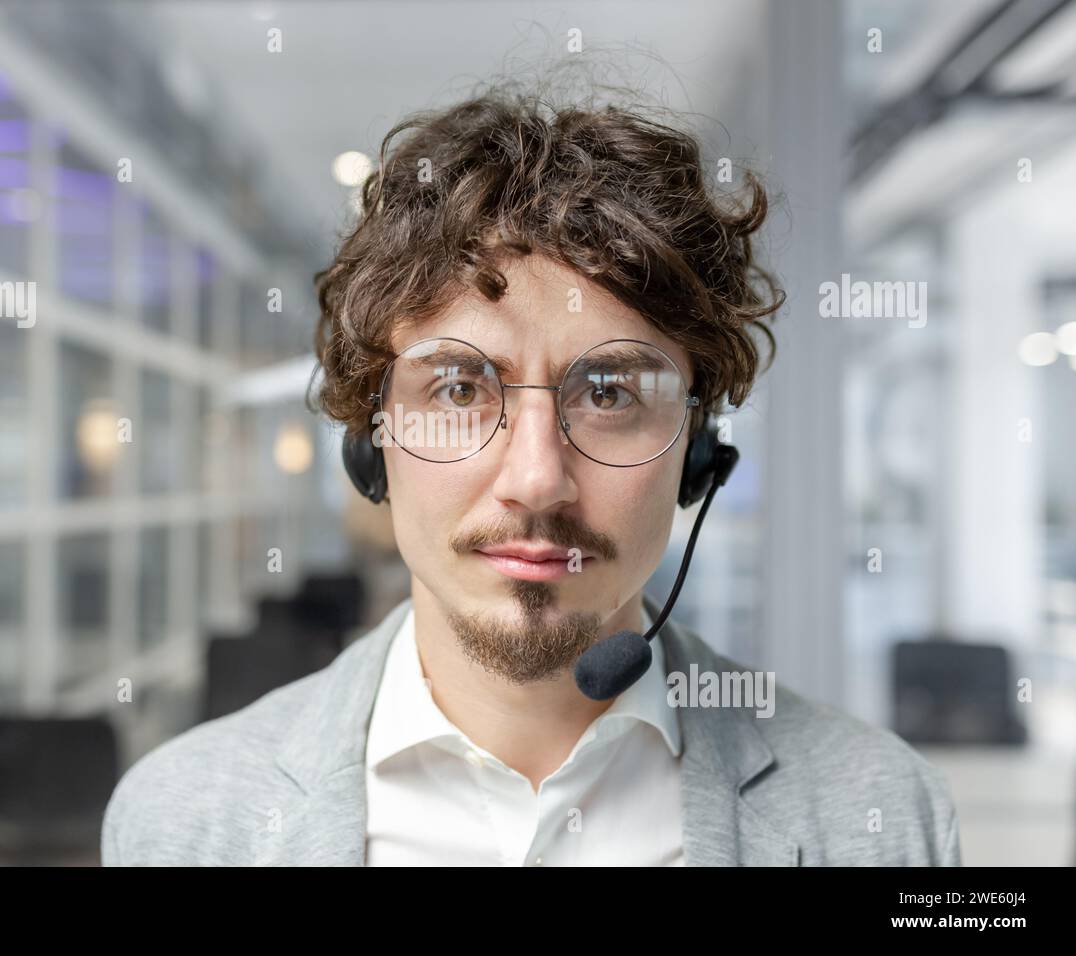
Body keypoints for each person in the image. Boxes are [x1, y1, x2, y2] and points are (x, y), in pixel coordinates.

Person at [102, 83, 961, 866]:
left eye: (612, 391)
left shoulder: (886, 818)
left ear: (698, 453)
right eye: (461, 388)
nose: (539, 478)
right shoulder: (183, 821)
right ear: (373, 442)